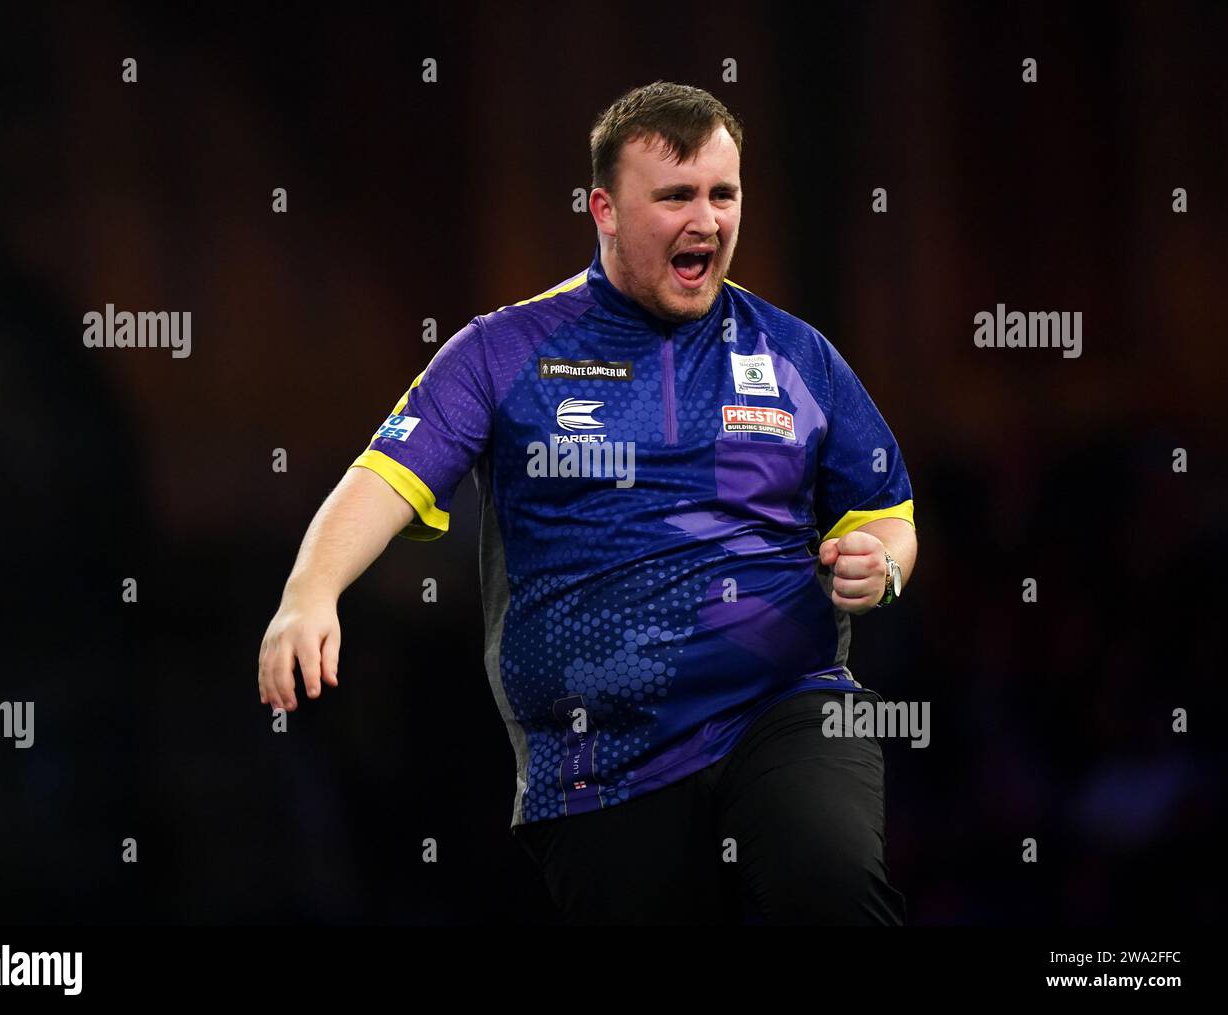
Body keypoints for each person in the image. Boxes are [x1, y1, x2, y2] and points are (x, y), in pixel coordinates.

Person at [257, 81, 917, 925]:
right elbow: (388, 474)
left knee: (830, 879)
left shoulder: (796, 354)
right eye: (675, 196)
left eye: (724, 194)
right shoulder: (504, 351)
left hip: (782, 703)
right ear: (604, 208)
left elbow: (885, 511)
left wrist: (883, 568)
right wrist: (308, 592)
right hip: (598, 757)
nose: (707, 220)